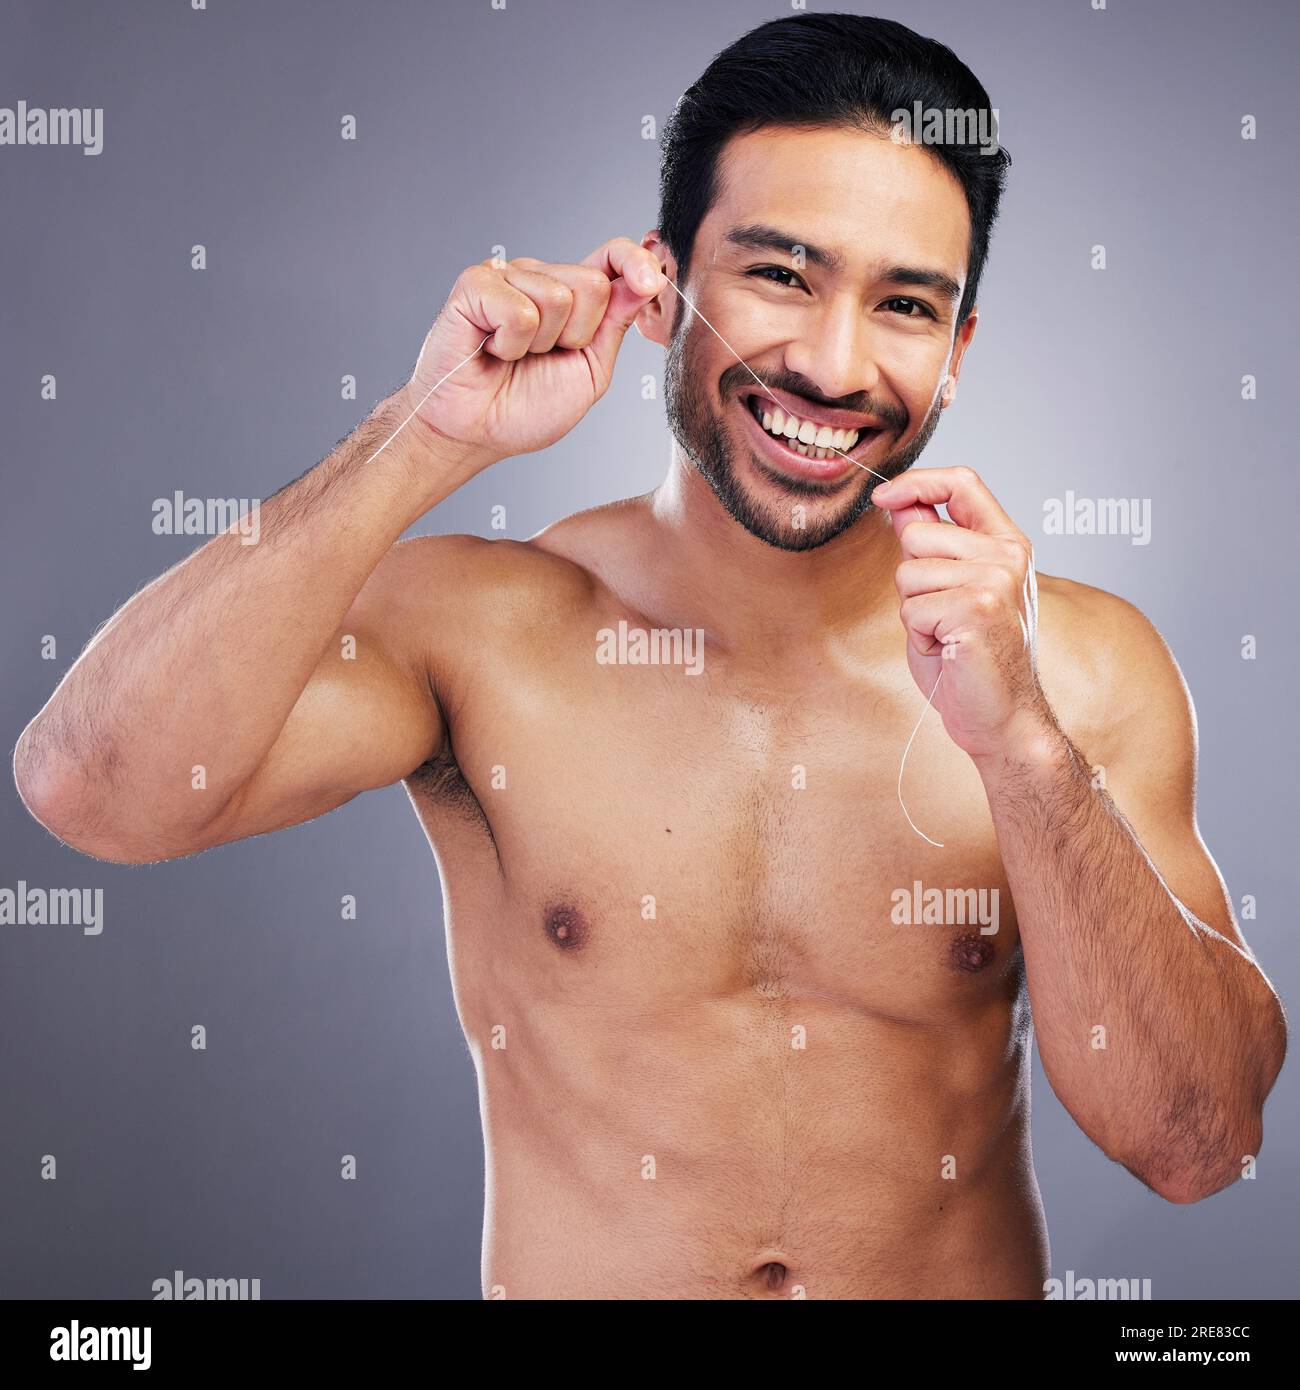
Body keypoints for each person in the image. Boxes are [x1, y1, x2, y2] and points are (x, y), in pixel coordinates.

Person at [14, 13, 1285, 1299]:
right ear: (666, 282)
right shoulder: (485, 630)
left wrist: (1021, 747)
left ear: (956, 353)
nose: (834, 364)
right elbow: (92, 789)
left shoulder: (1077, 670)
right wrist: (425, 434)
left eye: (904, 304)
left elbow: (1199, 1141)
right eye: (781, 275)